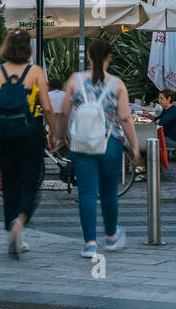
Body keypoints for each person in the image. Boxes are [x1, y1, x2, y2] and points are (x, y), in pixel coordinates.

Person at [60, 37, 140, 259]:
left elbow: (64, 112)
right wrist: (134, 146)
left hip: (82, 144)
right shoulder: (117, 84)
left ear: (88, 57)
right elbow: (124, 118)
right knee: (108, 192)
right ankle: (112, 236)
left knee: (86, 192)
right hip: (110, 143)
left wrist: (60, 134)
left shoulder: (75, 81)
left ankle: (89, 243)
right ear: (109, 58)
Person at [0, 30, 57, 257]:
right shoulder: (35, 72)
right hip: (29, 132)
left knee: (10, 183)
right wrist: (54, 132)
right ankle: (20, 223)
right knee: (31, 183)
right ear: (28, 49)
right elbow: (47, 107)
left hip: (2, 134)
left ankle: (14, 228)